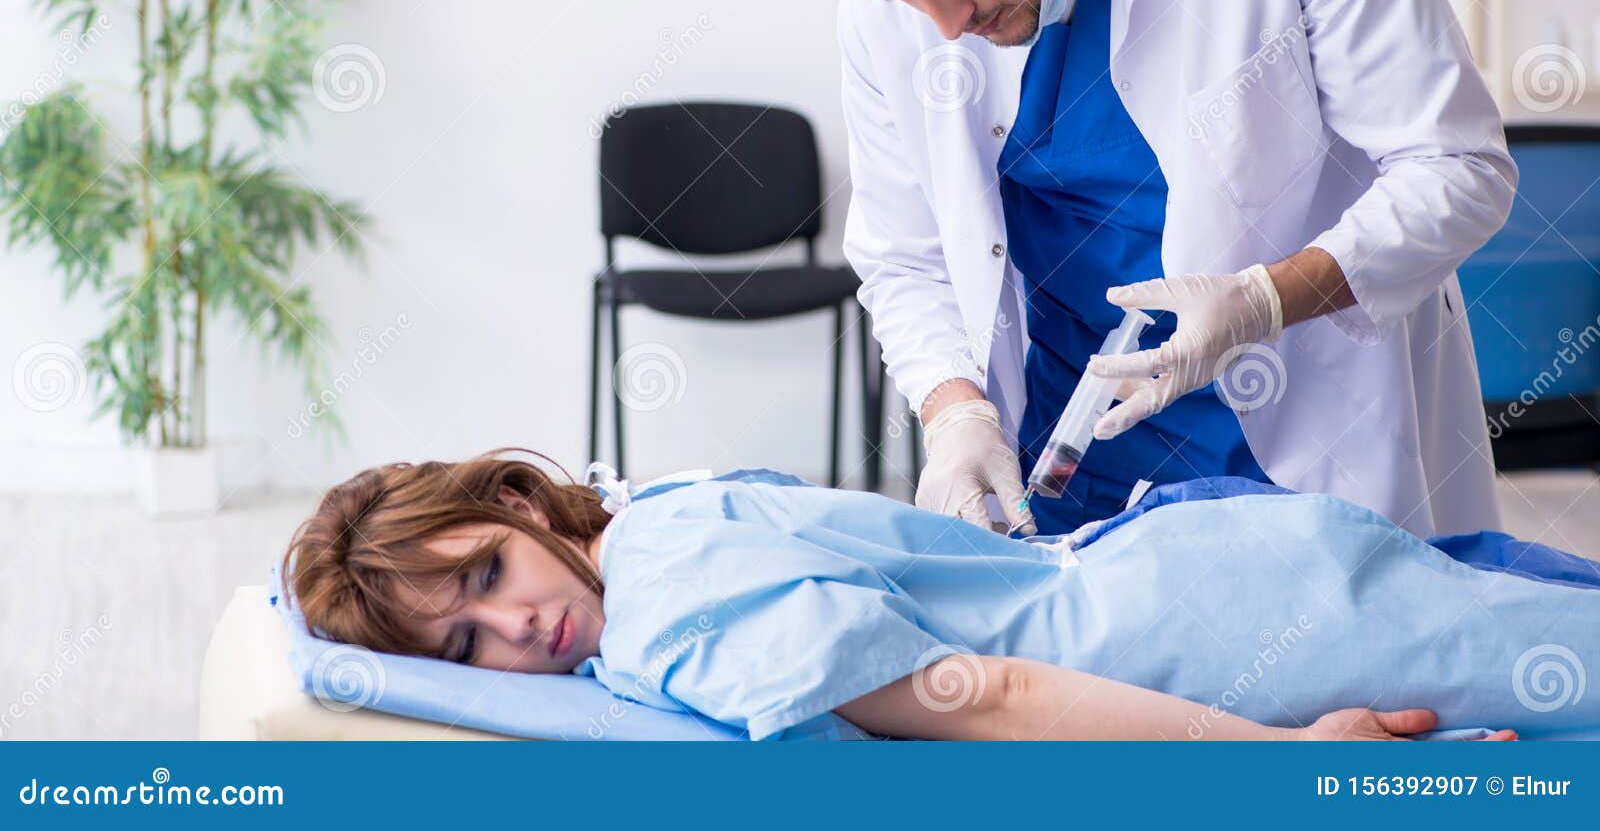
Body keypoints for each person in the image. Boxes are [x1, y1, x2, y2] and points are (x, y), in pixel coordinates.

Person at [794, 0, 1517, 539]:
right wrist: (955, 410)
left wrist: (1263, 300)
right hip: (1070, 459)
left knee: (1325, 650)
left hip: (1312, 433)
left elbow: (1457, 166)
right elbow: (904, 254)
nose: (942, 26)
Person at [283, 451, 1600, 742]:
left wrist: (1280, 772)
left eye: (484, 575)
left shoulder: (671, 617)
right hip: (1215, 553)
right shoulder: (662, 511)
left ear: (515, 505)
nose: (514, 626)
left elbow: (994, 694)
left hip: (1222, 640)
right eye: (463, 640)